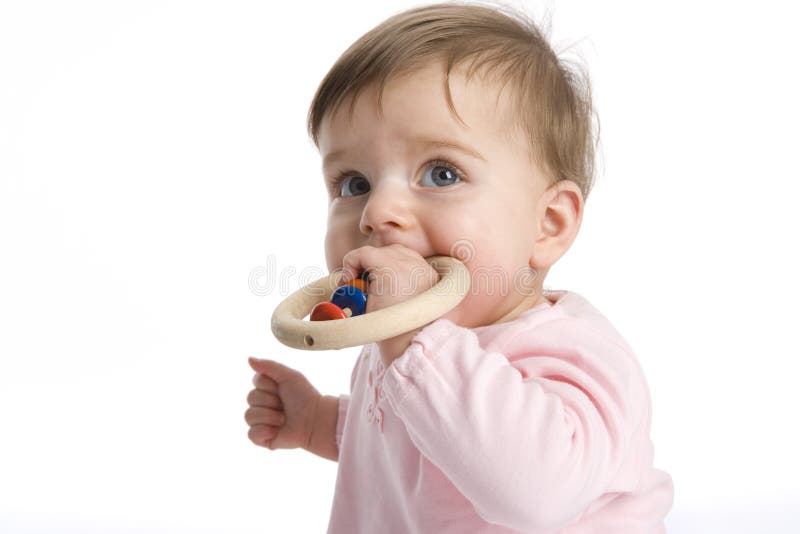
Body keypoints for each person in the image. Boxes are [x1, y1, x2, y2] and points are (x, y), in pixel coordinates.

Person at [245, 2, 673, 532]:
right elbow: (411, 449)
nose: (378, 213)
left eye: (442, 173)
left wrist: (416, 339)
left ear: (549, 223)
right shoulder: (408, 344)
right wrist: (318, 422)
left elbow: (534, 492)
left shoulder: (574, 354)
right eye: (354, 184)